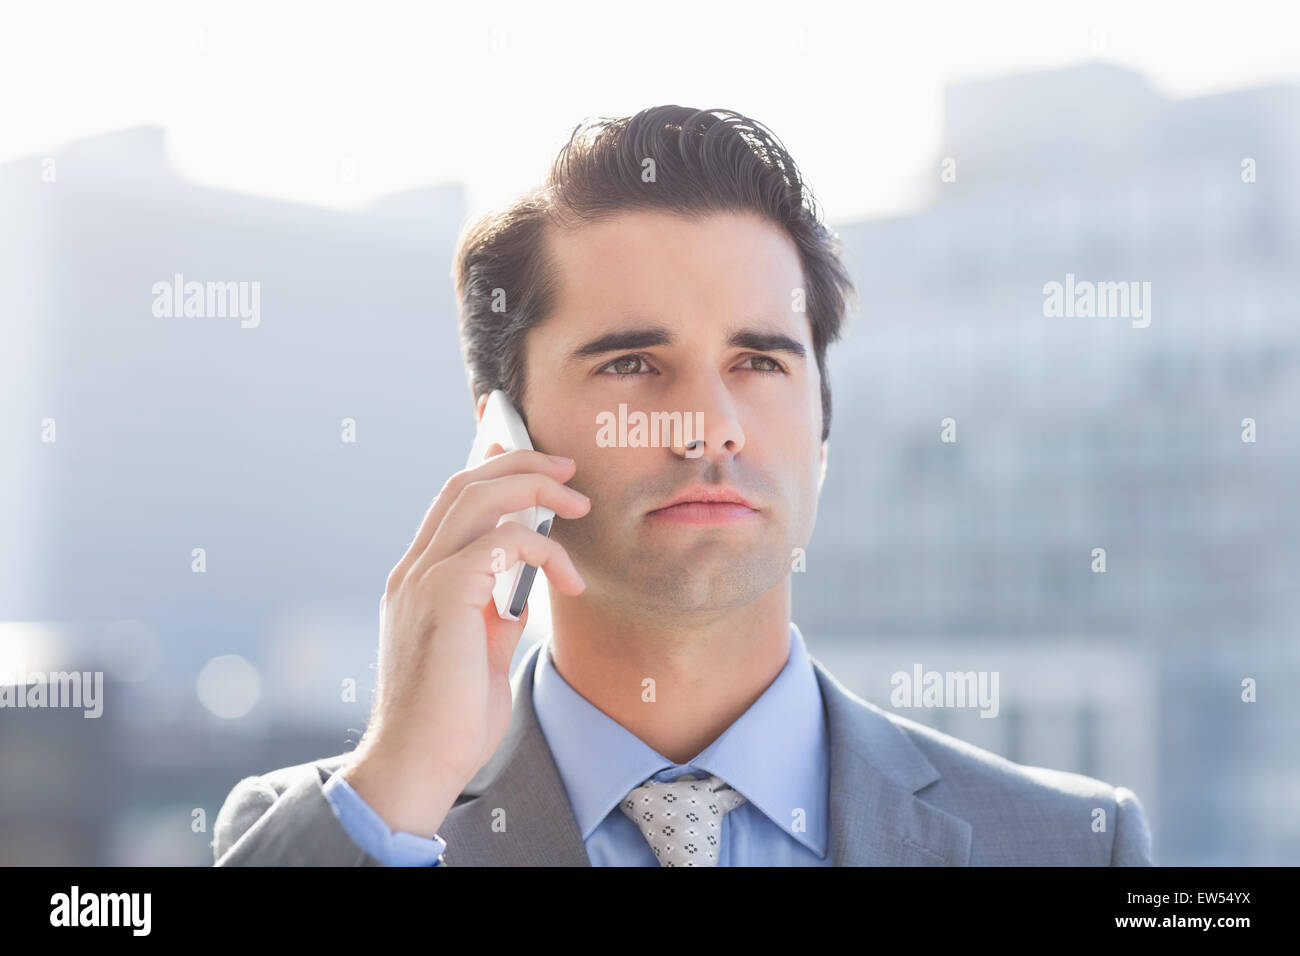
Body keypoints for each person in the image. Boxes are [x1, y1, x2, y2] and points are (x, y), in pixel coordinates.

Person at [212, 106, 1154, 866]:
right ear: (502, 432)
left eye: (760, 361)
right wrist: (400, 782)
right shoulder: (362, 825)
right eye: (631, 363)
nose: (709, 422)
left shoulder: (1074, 847)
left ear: (821, 424)